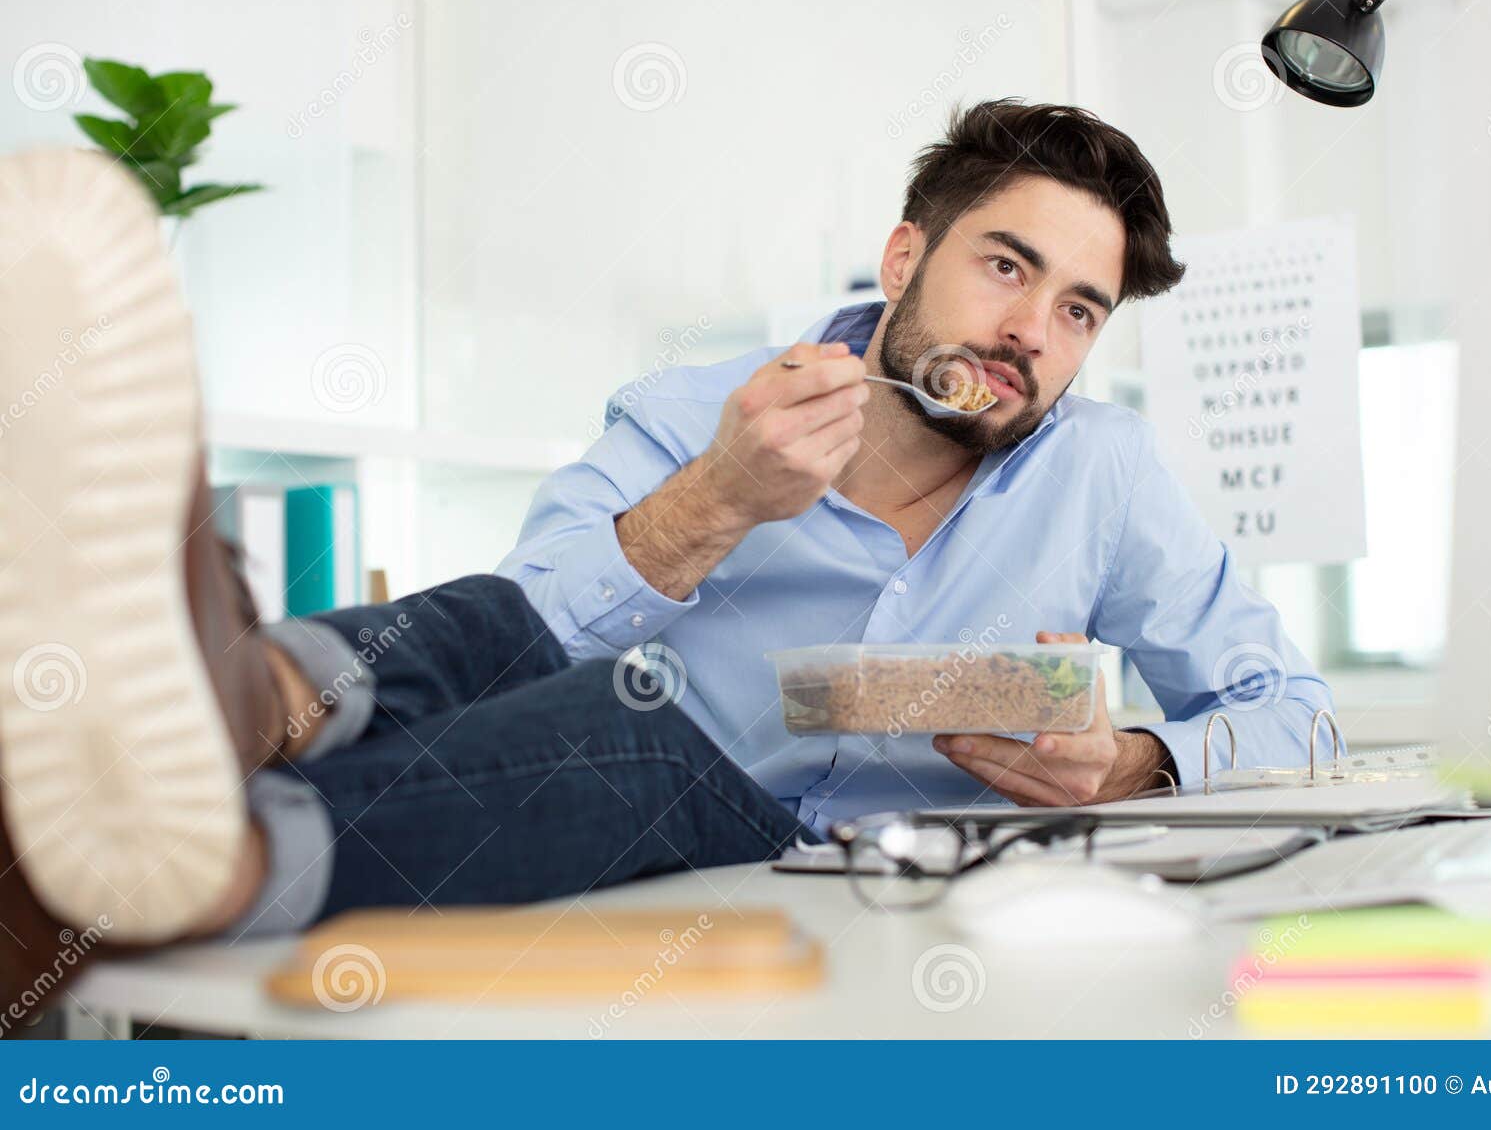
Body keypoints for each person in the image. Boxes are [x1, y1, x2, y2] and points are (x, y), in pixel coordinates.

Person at [0, 99, 1329, 1031]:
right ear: (906, 256)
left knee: (640, 738)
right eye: (1006, 267)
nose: (1032, 330)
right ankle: (233, 700)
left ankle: (202, 857)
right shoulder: (701, 409)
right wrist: (715, 501)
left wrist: (1135, 762)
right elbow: (517, 636)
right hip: (534, 796)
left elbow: (1296, 713)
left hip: (790, 866)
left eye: (1079, 309)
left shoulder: (1106, 474)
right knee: (514, 630)